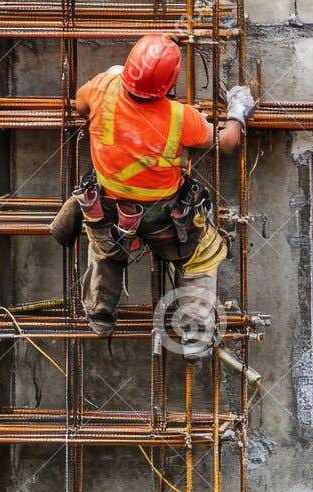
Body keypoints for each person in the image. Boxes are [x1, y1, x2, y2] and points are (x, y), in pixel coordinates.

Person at [61, 34, 256, 358]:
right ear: (169, 83)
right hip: (162, 217)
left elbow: (80, 106)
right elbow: (227, 143)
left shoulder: (101, 88)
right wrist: (238, 113)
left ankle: (99, 314)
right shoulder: (181, 117)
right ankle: (195, 333)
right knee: (203, 253)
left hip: (108, 208)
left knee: (104, 247)